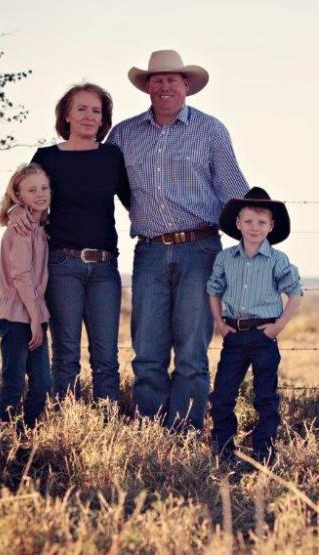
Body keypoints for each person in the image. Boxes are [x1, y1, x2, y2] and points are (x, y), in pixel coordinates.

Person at [107, 50, 248, 430]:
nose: (164, 85)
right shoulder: (123, 134)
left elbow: (233, 190)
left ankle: (184, 431)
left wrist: (252, 247)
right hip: (150, 251)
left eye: (172, 79)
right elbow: (108, 185)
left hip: (200, 250)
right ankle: (151, 431)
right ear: (147, 87)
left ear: (186, 85)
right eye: (157, 79)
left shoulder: (210, 130)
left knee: (191, 353)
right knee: (148, 352)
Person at [9, 83, 131, 402]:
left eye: (96, 111)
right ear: (67, 114)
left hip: (105, 268)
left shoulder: (111, 157)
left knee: (106, 359)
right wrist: (14, 208)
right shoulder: (47, 157)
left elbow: (135, 200)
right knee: (66, 356)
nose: (89, 116)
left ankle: (107, 427)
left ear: (103, 119)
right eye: (82, 109)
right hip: (63, 266)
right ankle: (67, 428)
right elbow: (23, 190)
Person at [207, 187, 302, 464]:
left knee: (265, 397)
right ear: (237, 223)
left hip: (264, 335)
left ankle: (264, 452)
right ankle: (223, 450)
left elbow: (295, 294)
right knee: (223, 394)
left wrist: (278, 327)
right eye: (248, 221)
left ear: (271, 226)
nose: (254, 227)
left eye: (261, 222)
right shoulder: (226, 259)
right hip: (234, 335)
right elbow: (214, 290)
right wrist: (221, 325)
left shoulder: (277, 260)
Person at [0, 163, 54, 428]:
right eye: (31, 190)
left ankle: (24, 435)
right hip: (18, 314)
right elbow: (21, 276)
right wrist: (35, 319)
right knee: (14, 381)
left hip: (34, 311)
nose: (40, 194)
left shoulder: (39, 227)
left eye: (44, 188)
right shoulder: (22, 228)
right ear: (18, 195)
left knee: (42, 383)